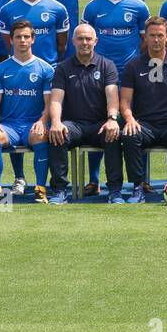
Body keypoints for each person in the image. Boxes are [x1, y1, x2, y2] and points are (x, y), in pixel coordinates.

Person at [80, 0, 151, 192]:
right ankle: (94, 179)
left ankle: (144, 179)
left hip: (131, 77)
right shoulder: (92, 7)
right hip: (99, 76)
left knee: (136, 124)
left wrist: (132, 65)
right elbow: (85, 39)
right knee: (101, 124)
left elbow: (145, 41)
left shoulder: (139, 6)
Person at [120, 18, 167, 203]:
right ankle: (138, 187)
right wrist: (130, 120)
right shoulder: (133, 65)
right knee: (130, 134)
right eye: (152, 35)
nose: (156, 40)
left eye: (160, 35)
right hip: (144, 125)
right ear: (145, 37)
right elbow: (125, 101)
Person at [47, 24, 120, 204]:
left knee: (114, 135)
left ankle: (115, 191)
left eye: (88, 39)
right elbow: (56, 99)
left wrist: (112, 119)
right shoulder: (63, 68)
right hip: (74, 125)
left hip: (99, 124)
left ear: (95, 41)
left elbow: (112, 96)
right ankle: (60, 190)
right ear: (73, 41)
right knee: (57, 134)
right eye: (80, 39)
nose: (84, 42)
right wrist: (56, 122)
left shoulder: (107, 66)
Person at [0, 20, 55, 203]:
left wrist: (42, 120)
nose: (22, 40)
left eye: (26, 37)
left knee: (40, 137)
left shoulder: (45, 69)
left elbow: (50, 102)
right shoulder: (1, 69)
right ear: (11, 40)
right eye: (18, 37)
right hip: (9, 126)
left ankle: (40, 189)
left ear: (33, 39)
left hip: (33, 124)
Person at [0, 0, 70, 66]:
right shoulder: (7, 9)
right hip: (18, 68)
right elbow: (8, 44)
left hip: (49, 67)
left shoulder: (58, 9)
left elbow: (62, 45)